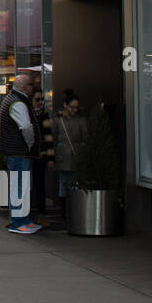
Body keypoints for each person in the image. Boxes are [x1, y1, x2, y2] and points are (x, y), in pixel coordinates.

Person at [0, 71, 42, 234]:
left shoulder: (13, 99)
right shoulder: (18, 103)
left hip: (16, 151)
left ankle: (23, 219)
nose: (34, 87)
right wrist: (30, 143)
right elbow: (25, 127)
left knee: (22, 187)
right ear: (25, 88)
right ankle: (18, 222)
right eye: (31, 85)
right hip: (19, 152)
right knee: (20, 187)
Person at [52, 89, 88, 222]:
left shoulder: (81, 120)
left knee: (74, 183)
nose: (75, 110)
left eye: (77, 107)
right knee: (63, 183)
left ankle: (72, 211)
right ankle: (64, 213)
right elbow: (54, 138)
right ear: (65, 105)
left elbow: (85, 138)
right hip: (62, 156)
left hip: (75, 156)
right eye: (72, 107)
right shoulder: (58, 120)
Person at [31, 89, 55, 226]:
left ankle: (41, 215)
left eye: (41, 100)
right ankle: (22, 214)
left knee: (40, 186)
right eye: (37, 99)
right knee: (28, 186)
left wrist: (51, 157)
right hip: (29, 155)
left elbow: (48, 136)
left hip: (41, 155)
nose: (40, 102)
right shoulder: (27, 113)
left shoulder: (43, 114)